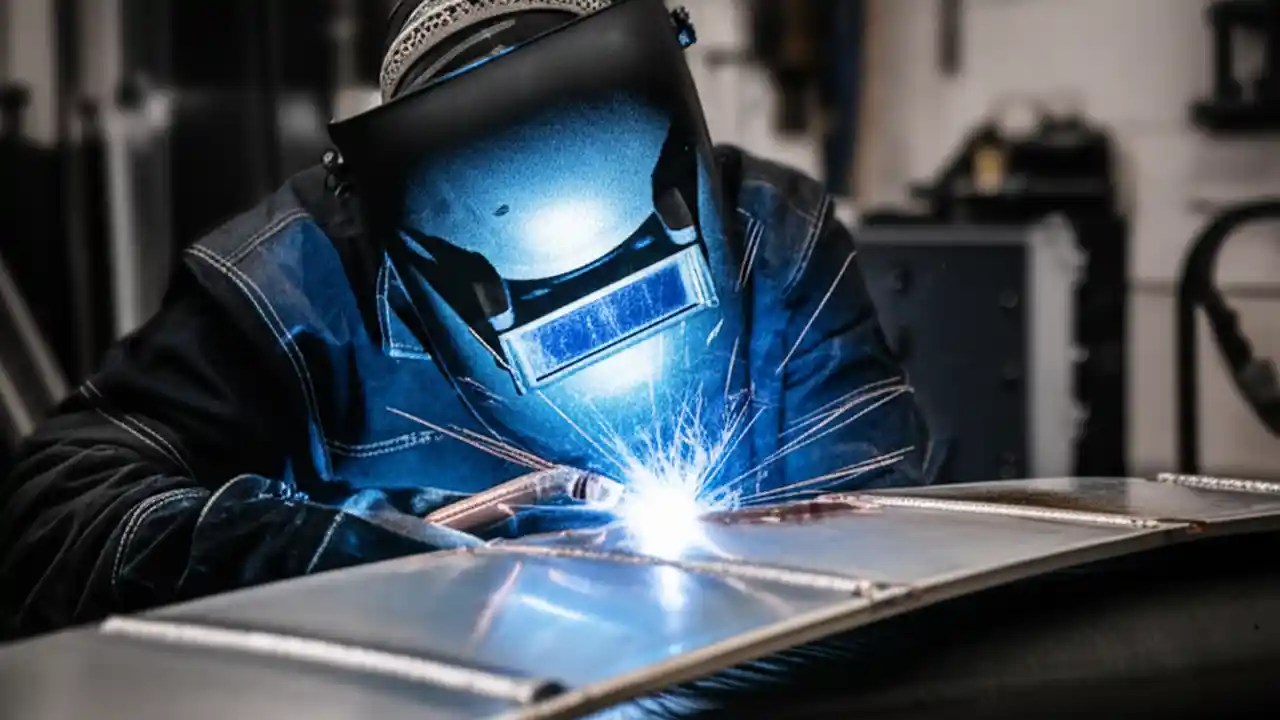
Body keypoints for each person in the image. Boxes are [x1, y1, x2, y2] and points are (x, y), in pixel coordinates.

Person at [0, 0, 928, 640]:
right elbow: (51, 515)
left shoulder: (773, 237)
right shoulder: (297, 291)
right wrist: (354, 555)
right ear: (400, 218)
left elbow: (872, 551)